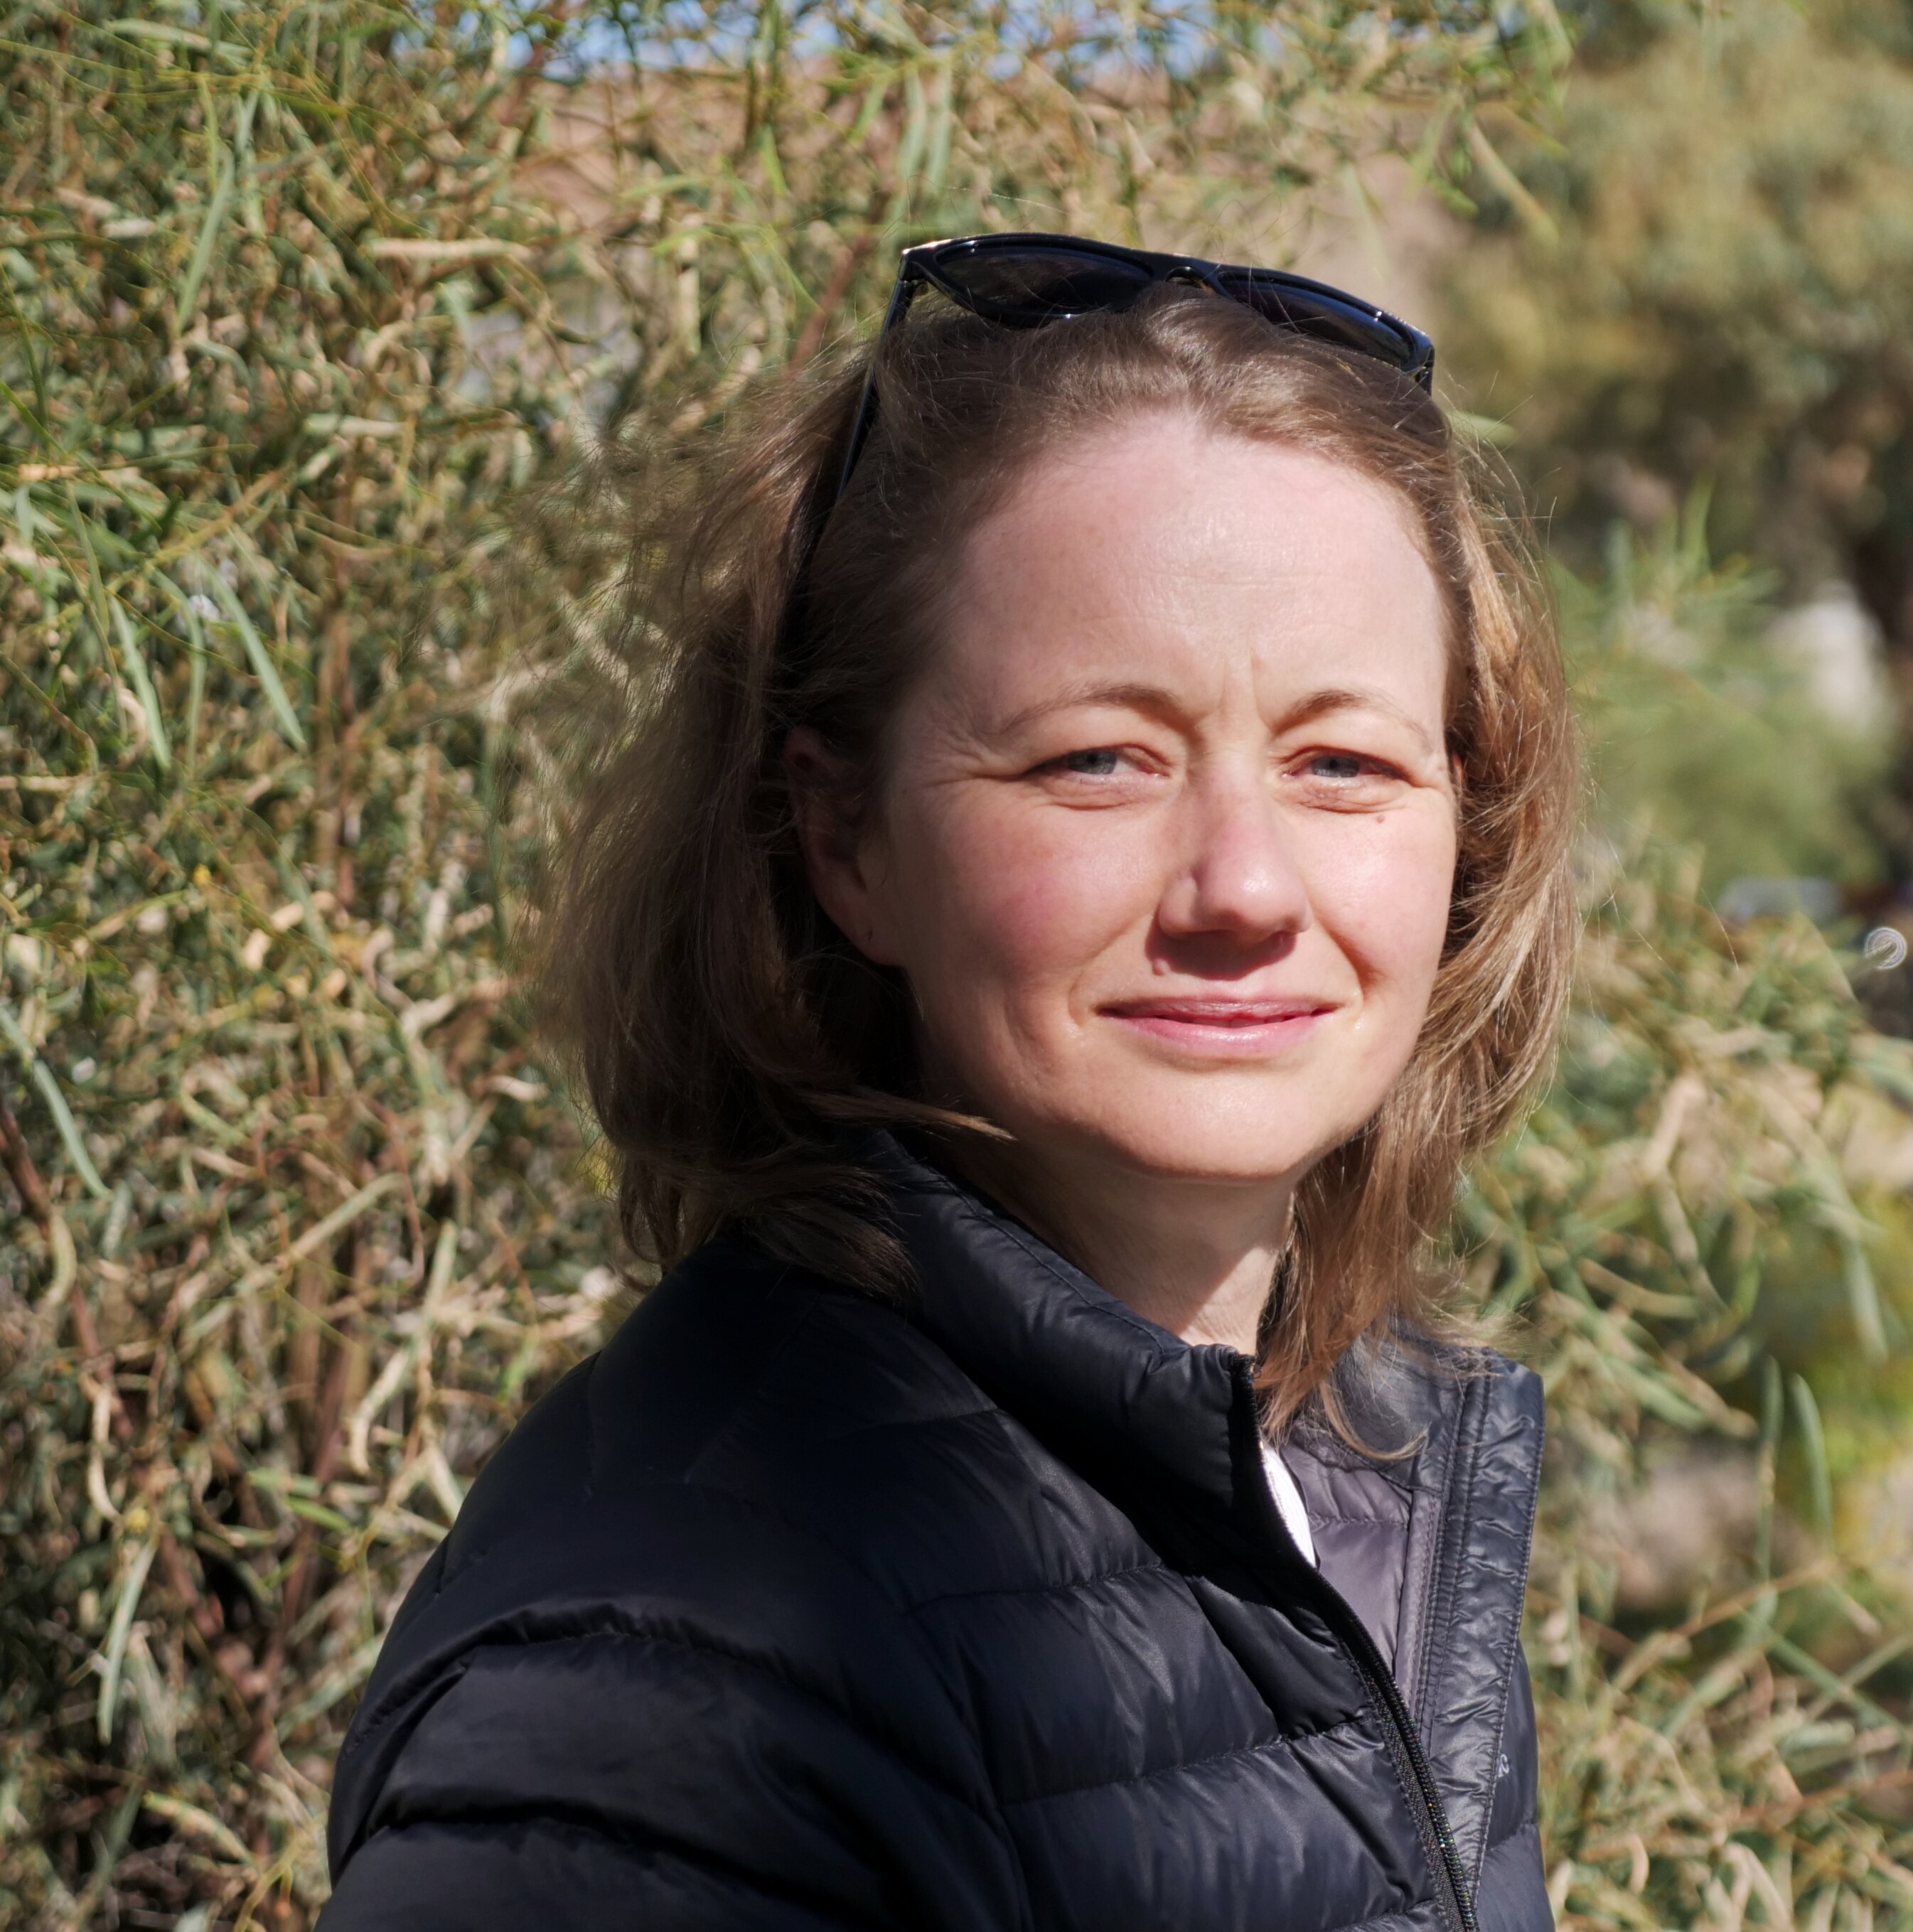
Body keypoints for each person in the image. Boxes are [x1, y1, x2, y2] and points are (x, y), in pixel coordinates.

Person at [319, 235, 1580, 1931]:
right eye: (1098, 762)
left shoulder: (1349, 1475)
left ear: (1465, 827)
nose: (1247, 890)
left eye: (1342, 762)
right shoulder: (671, 1680)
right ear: (845, 839)